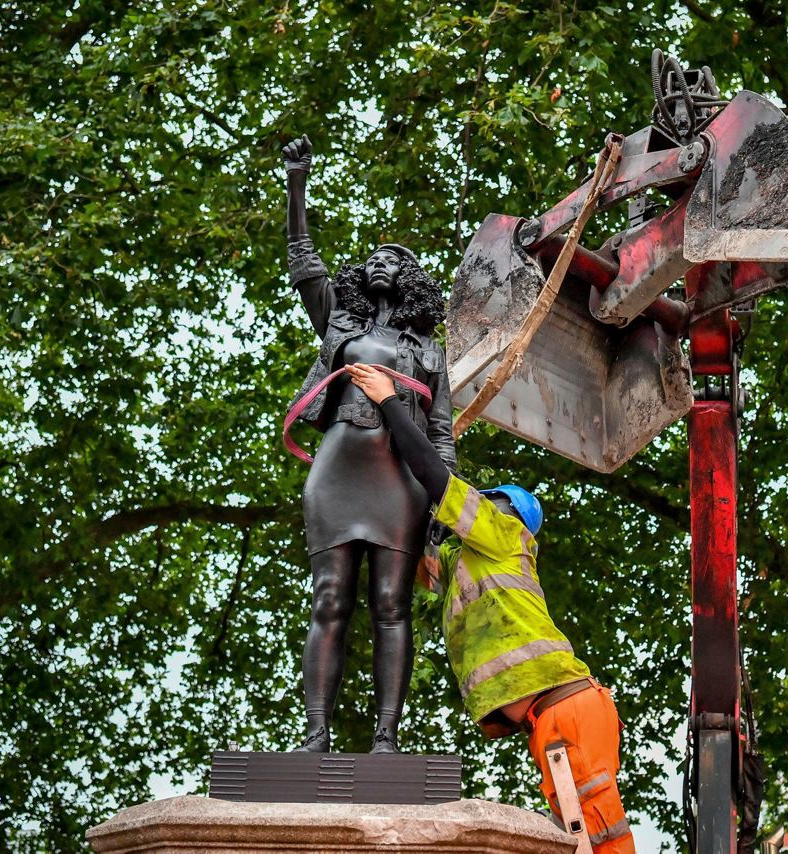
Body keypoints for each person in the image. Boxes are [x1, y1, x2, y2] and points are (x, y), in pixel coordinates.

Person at [347, 362, 635, 854]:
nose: (472, 503)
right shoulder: (466, 562)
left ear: (504, 510)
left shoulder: (506, 535)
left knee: (598, 833)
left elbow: (435, 479)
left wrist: (389, 402)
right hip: (554, 716)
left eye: (484, 499)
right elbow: (412, 548)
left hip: (568, 709)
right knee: (581, 835)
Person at [282, 135, 456, 754]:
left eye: (395, 257)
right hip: (337, 468)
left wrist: (444, 510)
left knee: (390, 605)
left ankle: (386, 738)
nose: (381, 260)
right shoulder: (338, 322)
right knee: (329, 598)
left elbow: (441, 436)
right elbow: (303, 261)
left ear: (410, 280)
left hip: (399, 483)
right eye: (374, 255)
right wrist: (297, 183)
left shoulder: (431, 352)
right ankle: (316, 736)